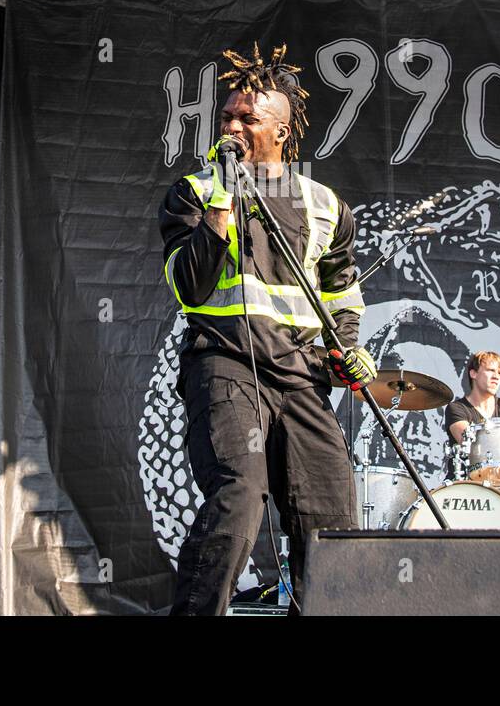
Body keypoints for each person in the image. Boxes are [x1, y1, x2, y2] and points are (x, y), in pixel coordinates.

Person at [159, 43, 373, 615]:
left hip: (301, 376)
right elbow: (191, 286)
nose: (232, 125)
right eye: (227, 116)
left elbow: (340, 293)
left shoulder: (326, 205)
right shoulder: (195, 191)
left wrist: (346, 350)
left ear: (280, 133)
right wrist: (224, 200)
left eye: (247, 119)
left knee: (328, 510)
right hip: (226, 364)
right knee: (238, 494)